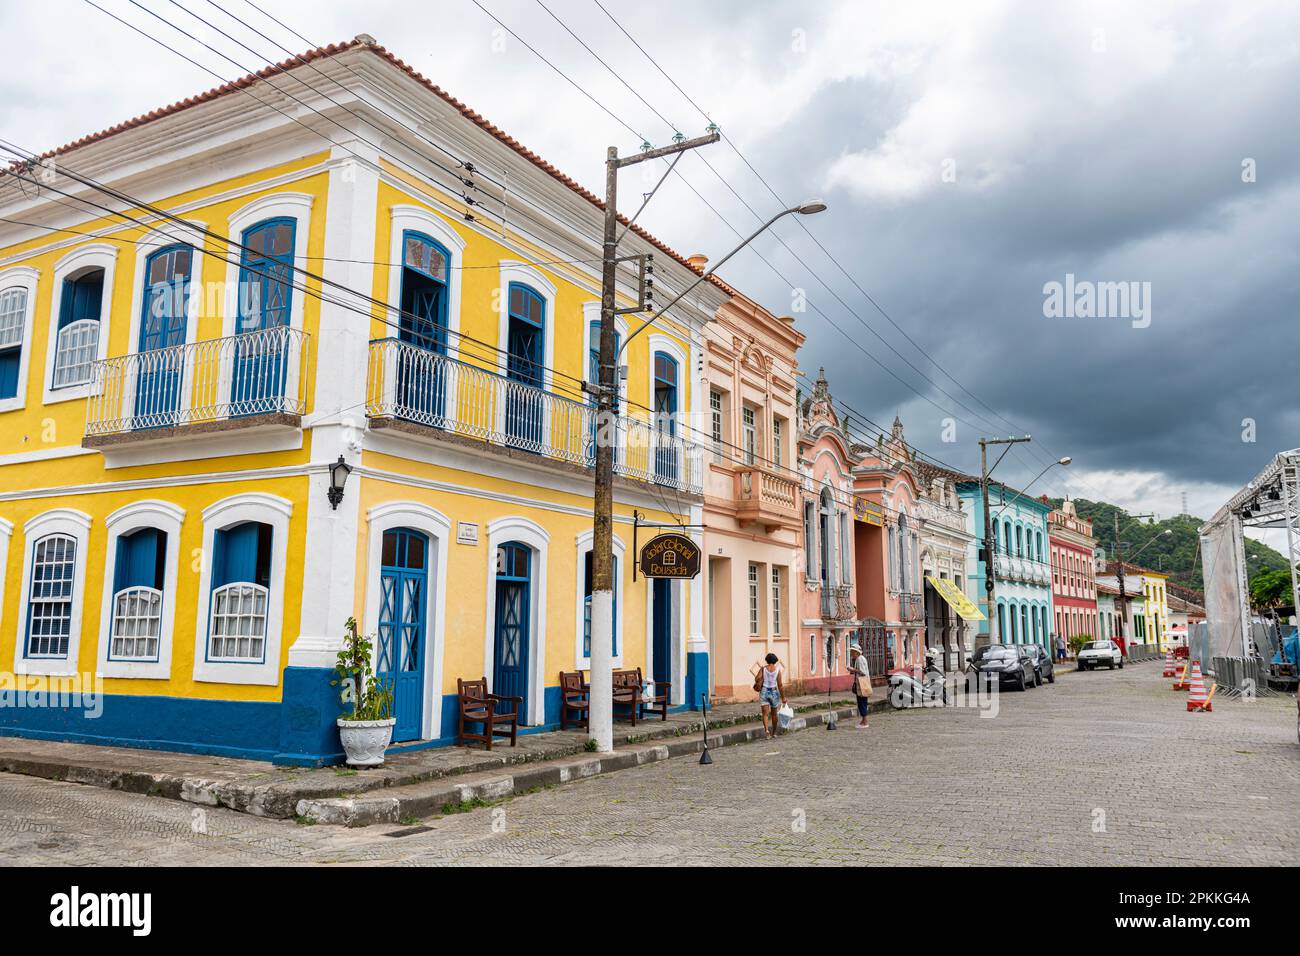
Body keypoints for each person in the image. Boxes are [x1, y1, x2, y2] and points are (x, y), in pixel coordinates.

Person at [750, 652, 786, 739]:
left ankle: (766, 731)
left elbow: (757, 678)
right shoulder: (778, 670)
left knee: (765, 714)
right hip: (774, 691)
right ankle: (774, 733)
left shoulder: (763, 669)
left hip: (764, 691)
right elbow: (780, 685)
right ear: (775, 660)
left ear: (767, 660)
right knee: (774, 714)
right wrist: (783, 697)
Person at [849, 641, 871, 728]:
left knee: (861, 702)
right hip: (862, 683)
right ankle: (863, 720)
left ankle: (865, 721)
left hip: (862, 684)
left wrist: (853, 669)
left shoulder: (859, 659)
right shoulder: (861, 658)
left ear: (856, 652)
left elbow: (863, 672)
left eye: (852, 652)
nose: (851, 654)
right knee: (863, 702)